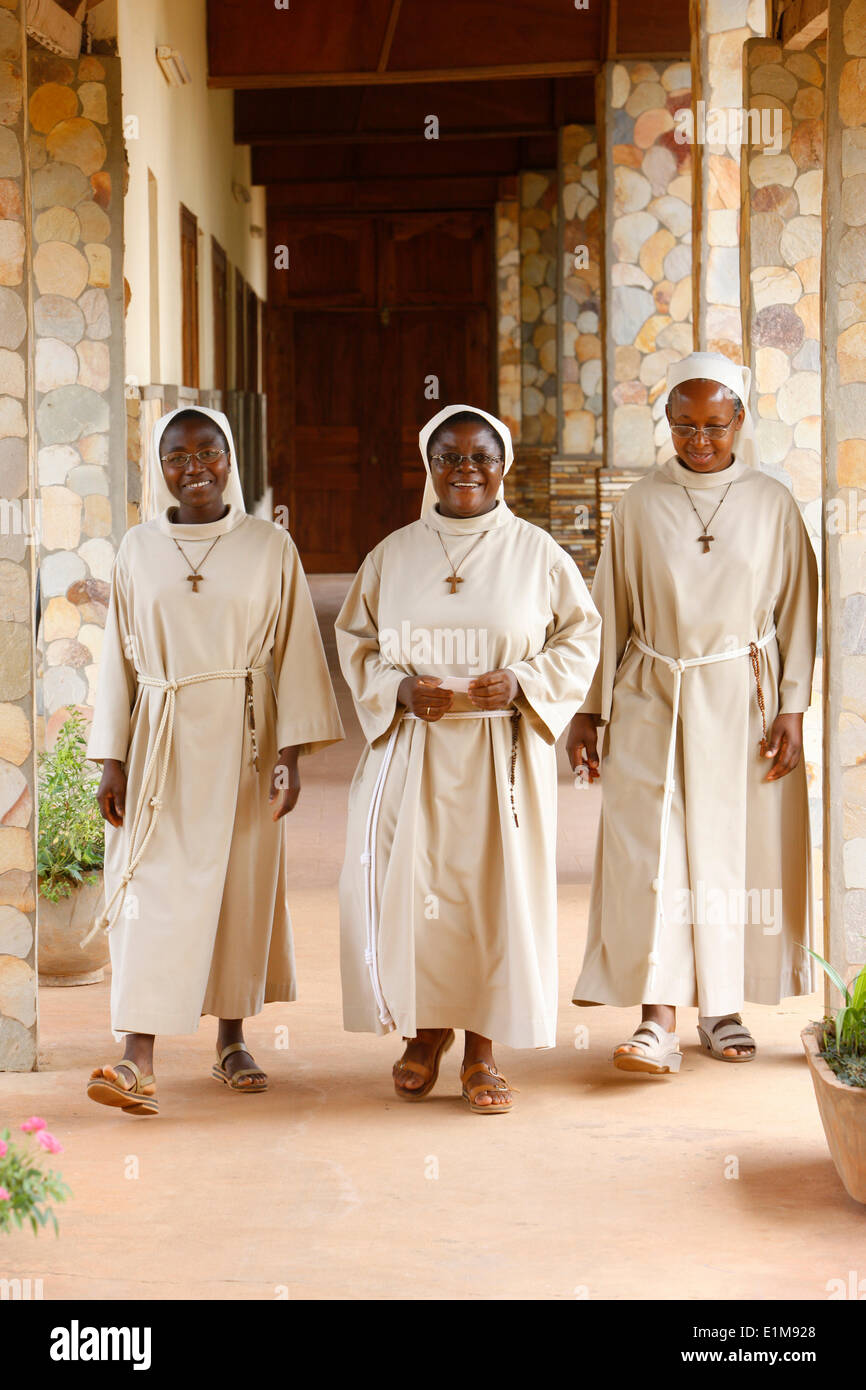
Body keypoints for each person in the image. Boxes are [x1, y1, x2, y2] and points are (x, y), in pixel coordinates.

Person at [336, 403, 601, 1113]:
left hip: (499, 750)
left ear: (502, 465)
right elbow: (356, 640)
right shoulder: (392, 555)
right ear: (428, 467)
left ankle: (482, 1050)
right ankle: (424, 1034)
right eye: (449, 458)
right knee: (415, 892)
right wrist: (397, 689)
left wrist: (523, 682)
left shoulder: (538, 553)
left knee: (494, 896)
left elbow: (580, 637)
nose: (465, 471)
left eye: (480, 457)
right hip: (414, 749)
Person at [85, 407, 343, 1115]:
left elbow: (295, 649)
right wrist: (111, 758)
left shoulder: (269, 545)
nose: (193, 467)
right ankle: (137, 1056)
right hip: (160, 740)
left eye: (208, 452)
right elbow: (117, 658)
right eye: (177, 455)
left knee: (237, 887)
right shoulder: (138, 548)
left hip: (244, 741)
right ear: (159, 466)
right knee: (148, 889)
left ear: (231, 458)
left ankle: (232, 1040)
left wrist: (291, 754)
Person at [568, 352, 818, 1073]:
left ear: (739, 419)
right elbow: (610, 609)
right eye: (684, 425)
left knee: (729, 854)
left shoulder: (771, 503)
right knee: (653, 854)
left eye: (714, 425)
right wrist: (590, 711)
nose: (699, 439)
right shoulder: (640, 504)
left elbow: (799, 611)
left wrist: (793, 707)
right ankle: (656, 1020)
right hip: (653, 694)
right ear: (668, 423)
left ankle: (722, 1009)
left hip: (742, 702)